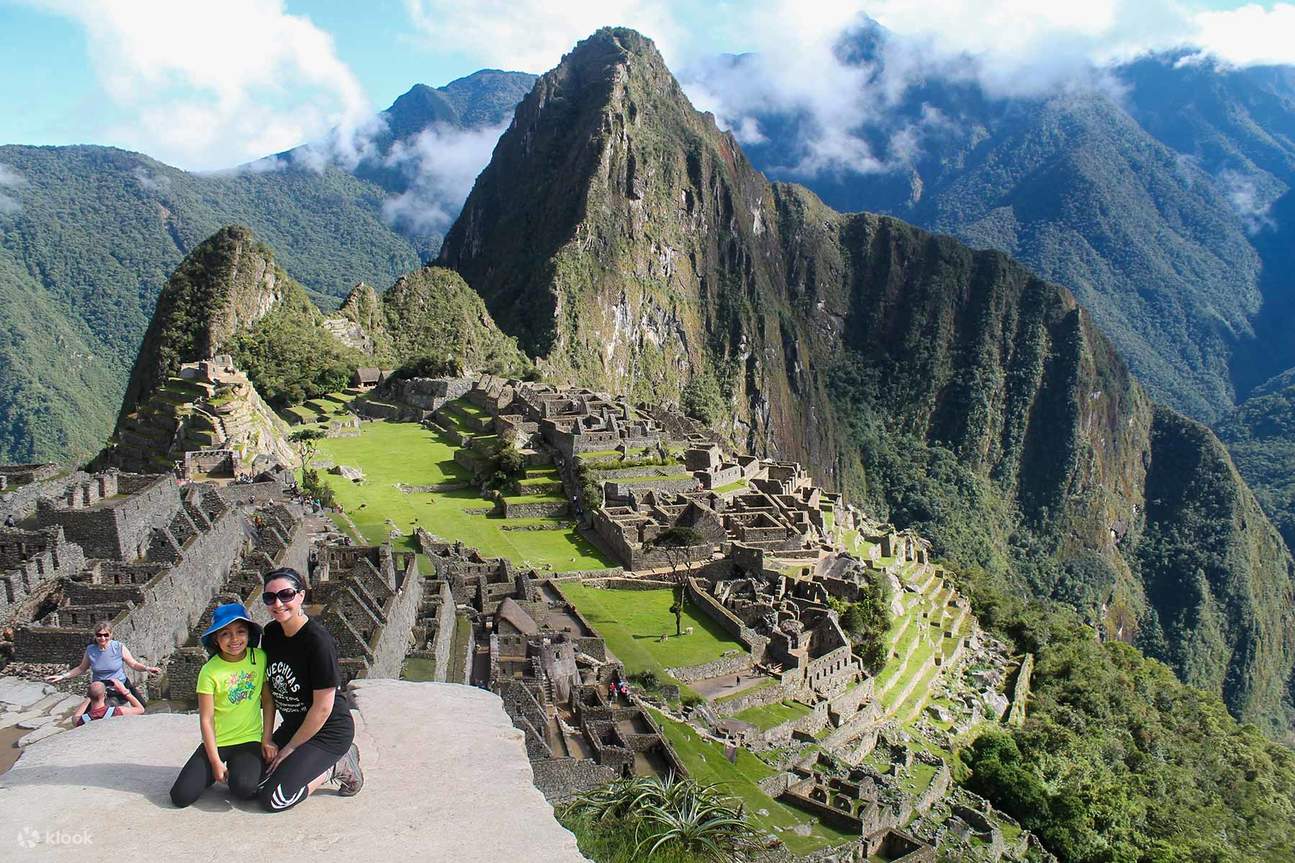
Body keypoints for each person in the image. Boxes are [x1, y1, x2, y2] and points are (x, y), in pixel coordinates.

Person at [257, 567, 362, 812]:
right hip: (294, 726)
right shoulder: (271, 634)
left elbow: (323, 708)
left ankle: (337, 766)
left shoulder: (317, 641)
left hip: (328, 732)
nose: (278, 603)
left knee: (273, 799)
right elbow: (270, 694)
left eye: (286, 595)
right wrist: (269, 738)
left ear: (301, 596)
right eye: (270, 597)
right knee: (250, 783)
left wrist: (290, 749)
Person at [170, 604, 273, 808]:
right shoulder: (210, 671)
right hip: (219, 742)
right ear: (216, 639)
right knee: (180, 796)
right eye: (226, 634)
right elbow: (206, 719)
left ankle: (243, 772)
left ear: (249, 634)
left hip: (248, 739)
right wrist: (215, 761)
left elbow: (268, 701)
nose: (234, 640)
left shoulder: (259, 658)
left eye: (240, 632)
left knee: (244, 789)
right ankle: (212, 772)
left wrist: (266, 739)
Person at [45, 622, 160, 705]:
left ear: (111, 635)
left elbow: (133, 664)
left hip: (121, 686)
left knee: (142, 706)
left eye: (106, 635)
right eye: (99, 635)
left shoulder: (118, 647)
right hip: (102, 690)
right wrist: (62, 676)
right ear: (95, 636)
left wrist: (147, 668)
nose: (102, 638)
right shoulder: (91, 650)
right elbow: (81, 668)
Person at [73, 680, 145, 726]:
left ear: (88, 695)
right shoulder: (116, 712)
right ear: (105, 694)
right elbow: (140, 709)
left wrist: (88, 698)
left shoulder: (83, 720)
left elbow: (75, 718)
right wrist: (125, 691)